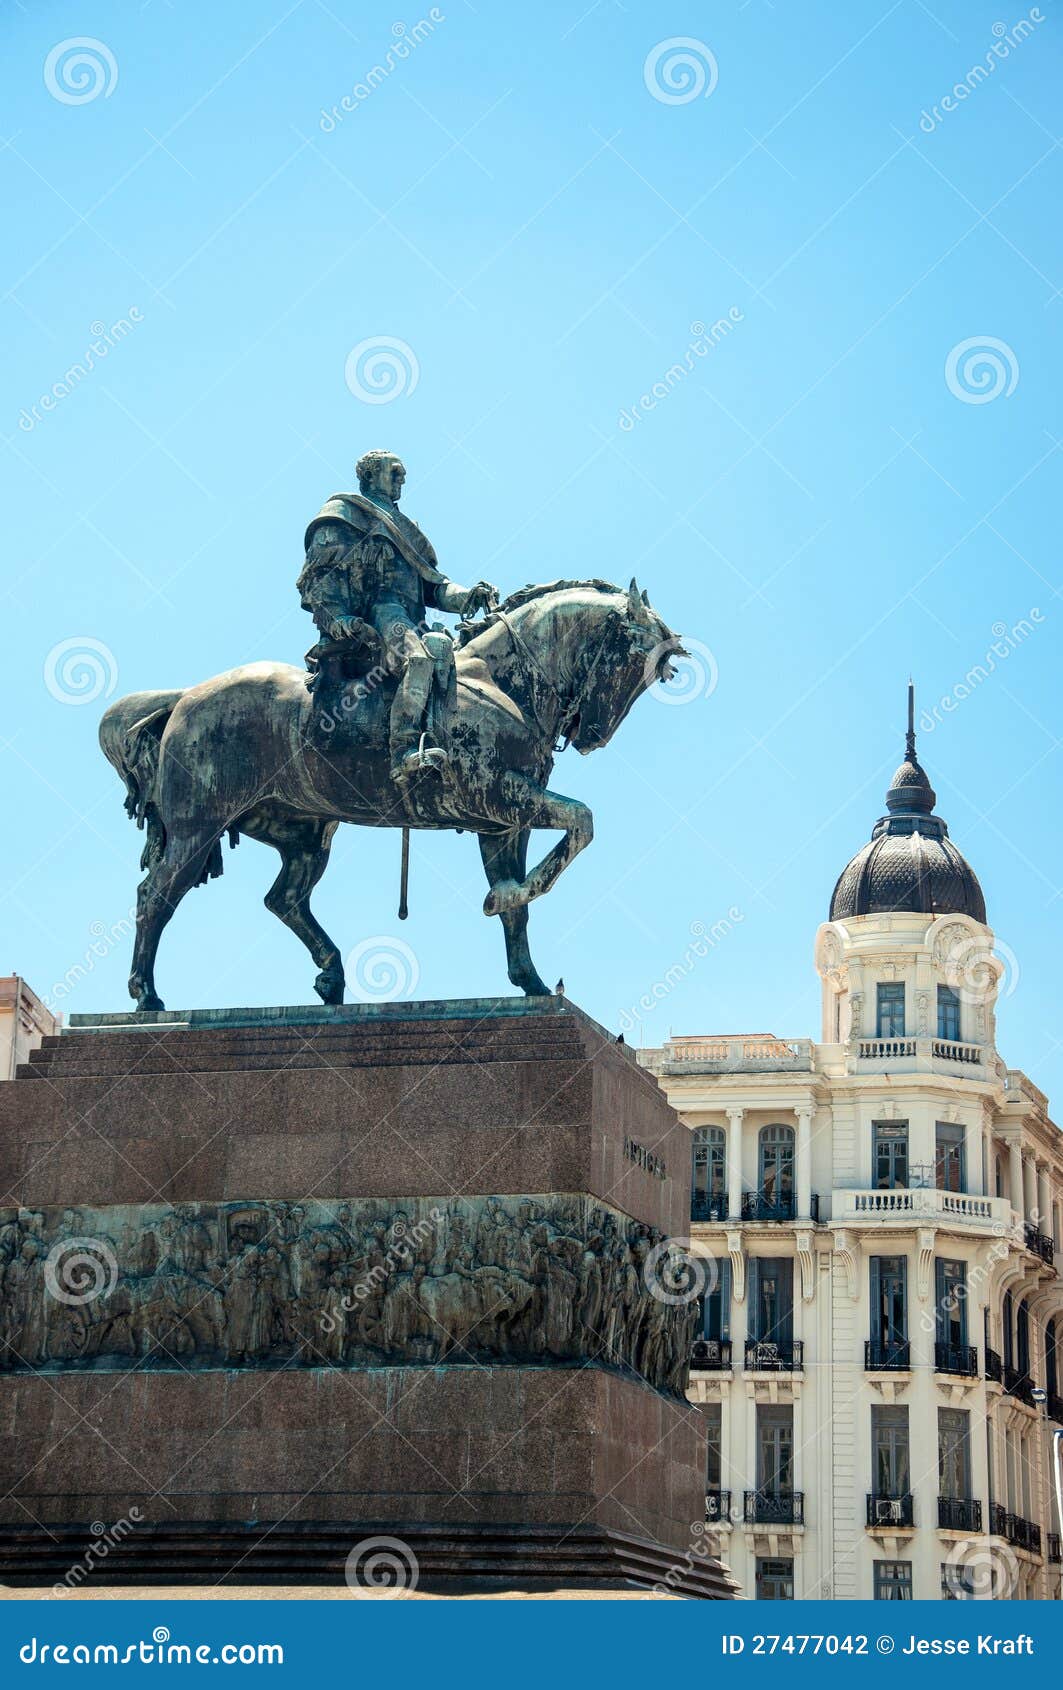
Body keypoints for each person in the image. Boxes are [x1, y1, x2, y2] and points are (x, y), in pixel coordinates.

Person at [298, 450, 498, 786]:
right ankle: (404, 750)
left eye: (402, 473)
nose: (402, 479)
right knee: (417, 659)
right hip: (379, 613)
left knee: (447, 655)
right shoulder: (344, 514)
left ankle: (438, 739)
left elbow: (434, 586)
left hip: (412, 619)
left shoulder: (408, 529)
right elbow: (320, 577)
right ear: (371, 475)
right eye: (395, 472)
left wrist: (468, 596)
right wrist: (339, 619)